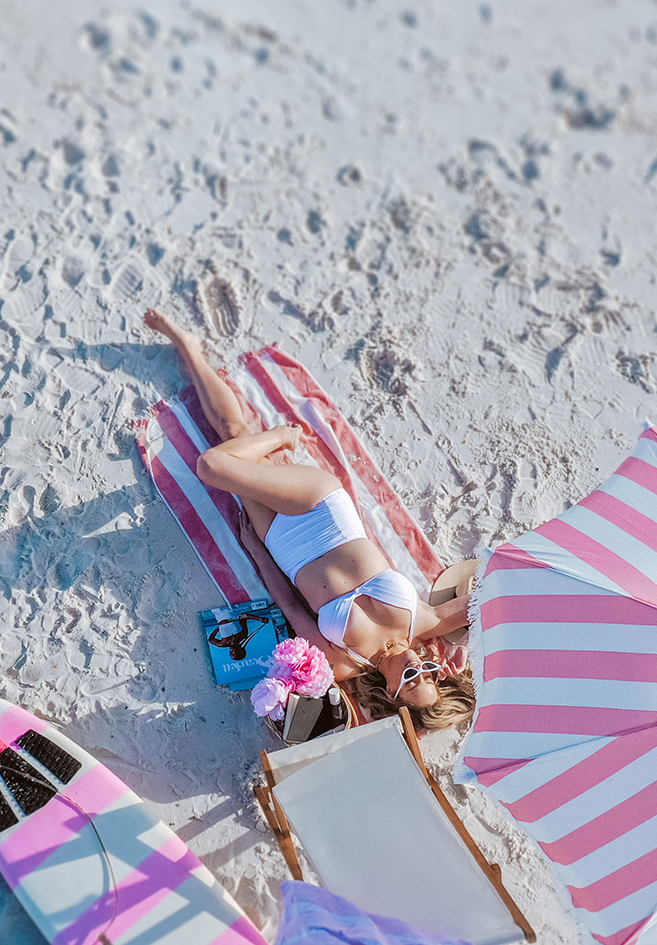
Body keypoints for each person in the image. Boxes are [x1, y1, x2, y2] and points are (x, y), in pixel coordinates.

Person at [144, 310, 475, 730]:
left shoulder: (341, 662)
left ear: (390, 694)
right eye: (430, 675)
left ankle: (189, 346)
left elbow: (288, 605)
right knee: (213, 465)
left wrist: (256, 552)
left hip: (281, 539)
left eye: (412, 680)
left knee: (233, 432)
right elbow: (497, 596)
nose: (418, 668)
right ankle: (282, 434)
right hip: (321, 509)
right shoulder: (425, 623)